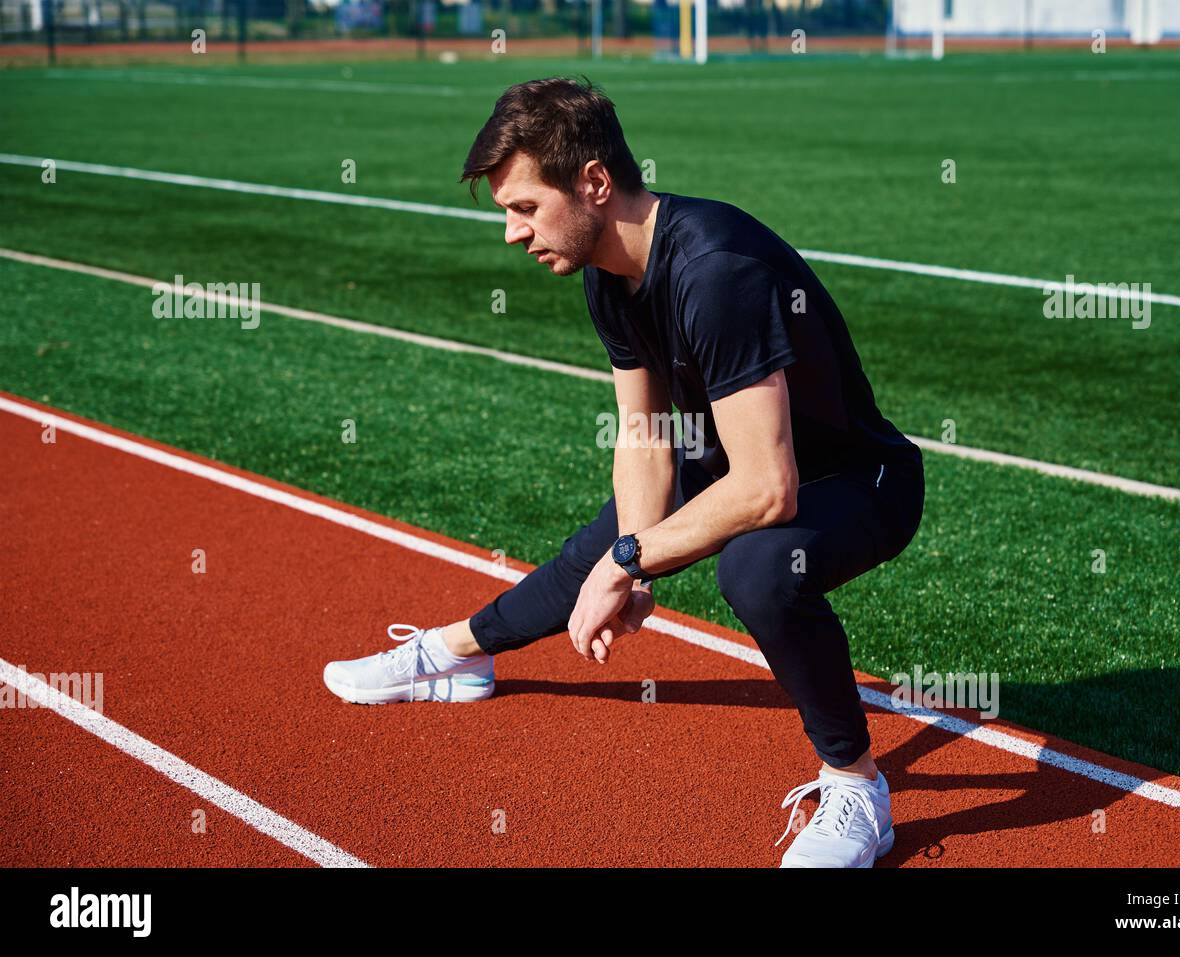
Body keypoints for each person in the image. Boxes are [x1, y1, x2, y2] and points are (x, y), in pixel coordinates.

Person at [322, 76, 925, 868]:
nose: (511, 233)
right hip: (737, 468)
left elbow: (770, 486)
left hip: (858, 482)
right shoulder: (609, 274)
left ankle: (855, 786)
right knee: (596, 548)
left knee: (756, 567)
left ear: (594, 183)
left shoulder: (717, 269)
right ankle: (456, 654)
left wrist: (632, 559)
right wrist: (629, 553)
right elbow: (644, 435)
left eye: (525, 208)